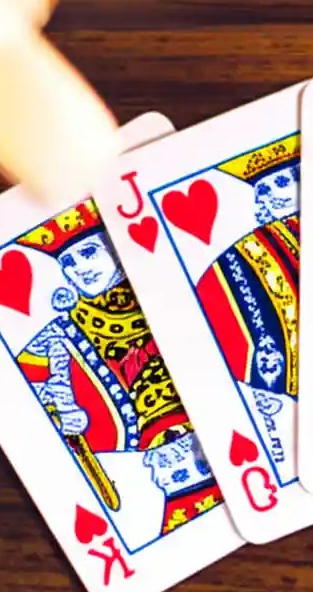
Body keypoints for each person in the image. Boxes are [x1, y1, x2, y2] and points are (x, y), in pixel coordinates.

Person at [15, 200, 221, 536]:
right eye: (68, 262)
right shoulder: (57, 340)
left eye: (89, 252)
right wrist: (63, 413)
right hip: (152, 469)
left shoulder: (170, 290)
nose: (80, 268)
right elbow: (25, 403)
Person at [195, 134, 301, 472]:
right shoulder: (232, 264)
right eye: (264, 190)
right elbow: (208, 326)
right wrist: (255, 383)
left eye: (282, 183)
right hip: (273, 392)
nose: (269, 197)